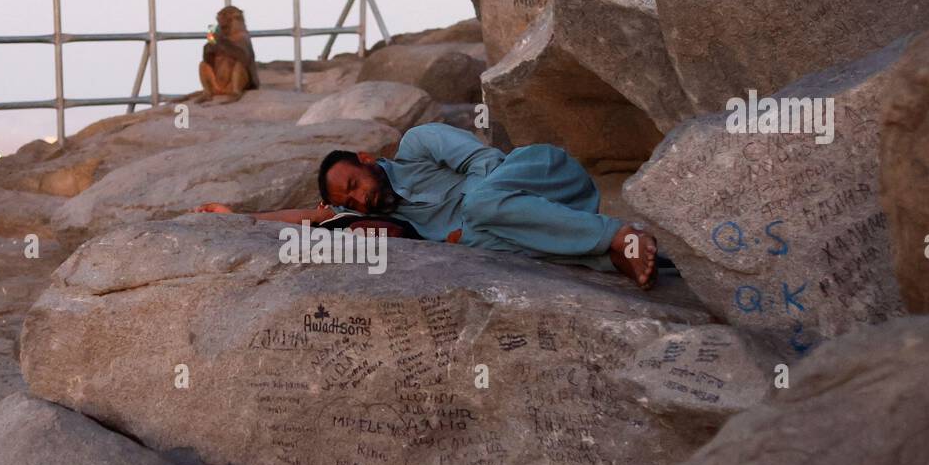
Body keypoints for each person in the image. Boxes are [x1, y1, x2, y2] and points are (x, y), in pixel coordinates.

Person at [195, 121, 660, 288]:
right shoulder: (380, 217)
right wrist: (238, 219)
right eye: (350, 200)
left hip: (545, 178)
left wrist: (465, 219)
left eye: (355, 183)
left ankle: (620, 235)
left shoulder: (418, 144)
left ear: (366, 159)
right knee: (478, 244)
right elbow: (309, 216)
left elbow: (488, 161)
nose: (360, 198)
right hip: (514, 227)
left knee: (478, 210)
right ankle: (610, 256)